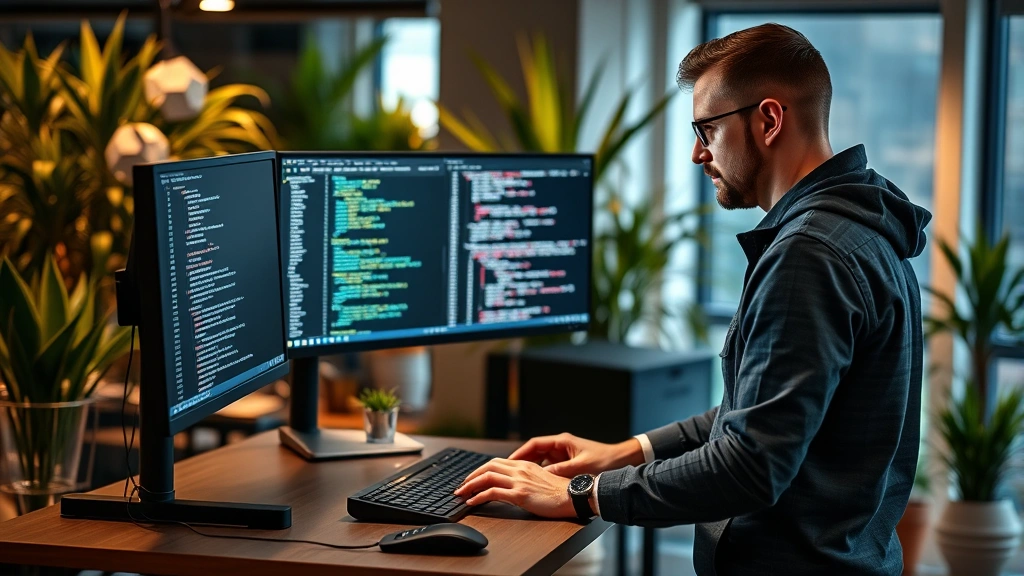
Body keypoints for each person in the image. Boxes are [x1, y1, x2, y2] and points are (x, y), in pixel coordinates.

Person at [454, 22, 932, 575]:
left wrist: (582, 494)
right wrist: (627, 452)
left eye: (706, 129)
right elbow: (764, 411)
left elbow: (750, 467)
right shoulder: (862, 228)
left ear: (768, 120)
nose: (696, 154)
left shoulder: (809, 254)